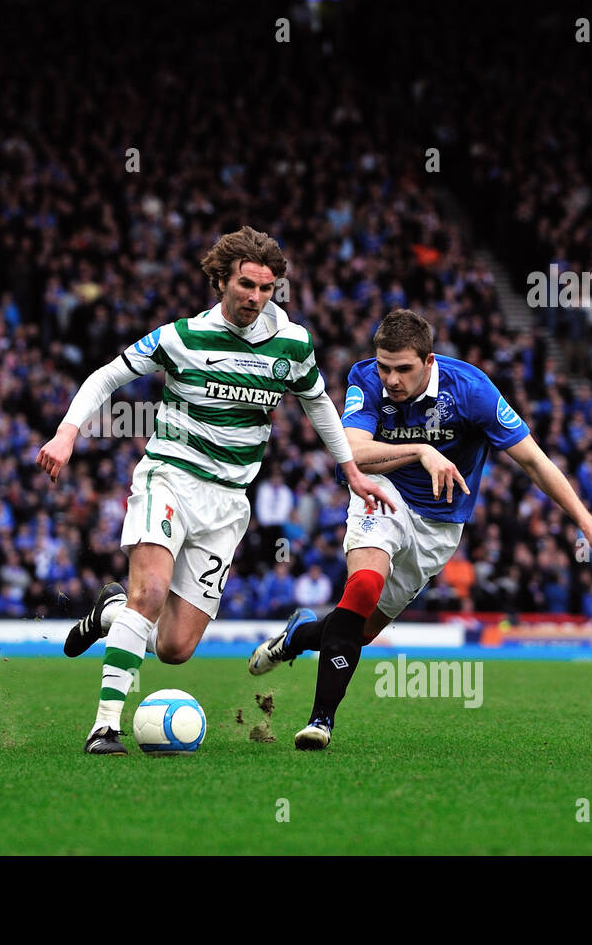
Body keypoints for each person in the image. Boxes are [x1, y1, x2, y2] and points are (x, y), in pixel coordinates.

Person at [36, 226, 395, 755]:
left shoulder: (292, 344)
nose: (255, 297)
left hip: (229, 503)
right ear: (220, 280)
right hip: (170, 477)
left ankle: (112, 611)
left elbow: (317, 403)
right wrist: (68, 433)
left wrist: (353, 470)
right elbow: (106, 377)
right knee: (151, 594)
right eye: (246, 285)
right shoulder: (181, 337)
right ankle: (105, 725)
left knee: (175, 648)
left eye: (266, 288)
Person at [250, 308, 592, 749]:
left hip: (440, 524)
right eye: (384, 367)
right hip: (383, 491)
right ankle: (321, 722)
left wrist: (590, 525)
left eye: (403, 369)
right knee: (364, 585)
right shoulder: (365, 378)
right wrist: (421, 451)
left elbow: (533, 461)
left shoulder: (471, 390)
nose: (391, 379)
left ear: (429, 362)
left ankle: (299, 635)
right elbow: (350, 449)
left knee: (361, 630)